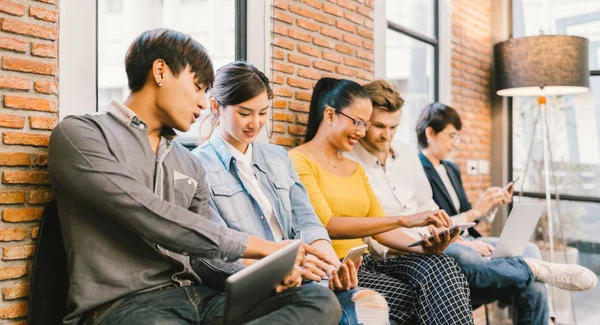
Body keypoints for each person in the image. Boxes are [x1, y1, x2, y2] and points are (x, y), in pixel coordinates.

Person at [48, 29, 341, 325]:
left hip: (198, 299)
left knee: (318, 301)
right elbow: (149, 215)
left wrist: (262, 280)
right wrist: (266, 248)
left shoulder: (188, 164)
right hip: (125, 307)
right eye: (198, 86)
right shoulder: (81, 135)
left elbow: (205, 259)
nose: (203, 104)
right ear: (160, 71)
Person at [346, 80, 597, 325]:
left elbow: (428, 204)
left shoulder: (408, 153)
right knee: (466, 258)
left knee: (534, 289)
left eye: (394, 127)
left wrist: (456, 234)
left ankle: (535, 275)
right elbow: (373, 228)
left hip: (440, 235)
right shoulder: (351, 165)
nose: (387, 135)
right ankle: (532, 268)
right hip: (402, 248)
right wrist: (469, 223)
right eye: (379, 126)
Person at [191, 61, 390, 325]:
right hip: (258, 286)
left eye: (263, 113)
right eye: (245, 113)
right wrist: (281, 271)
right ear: (216, 107)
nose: (256, 123)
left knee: (371, 303)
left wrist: (332, 268)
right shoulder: (197, 166)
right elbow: (214, 253)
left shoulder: (277, 157)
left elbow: (307, 221)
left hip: (306, 277)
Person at [289, 77, 474, 324]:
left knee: (441, 263)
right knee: (433, 298)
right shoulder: (299, 160)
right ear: (330, 115)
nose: (362, 132)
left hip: (366, 264)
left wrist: (423, 247)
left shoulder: (355, 168)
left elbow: (380, 231)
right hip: (339, 271)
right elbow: (325, 224)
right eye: (358, 123)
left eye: (365, 125)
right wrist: (404, 220)